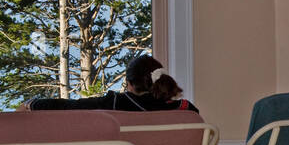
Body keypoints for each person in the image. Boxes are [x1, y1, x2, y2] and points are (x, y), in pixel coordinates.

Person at [27, 53, 198, 113]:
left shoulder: (118, 103)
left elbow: (70, 107)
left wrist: (32, 104)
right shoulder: (185, 108)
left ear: (129, 84)